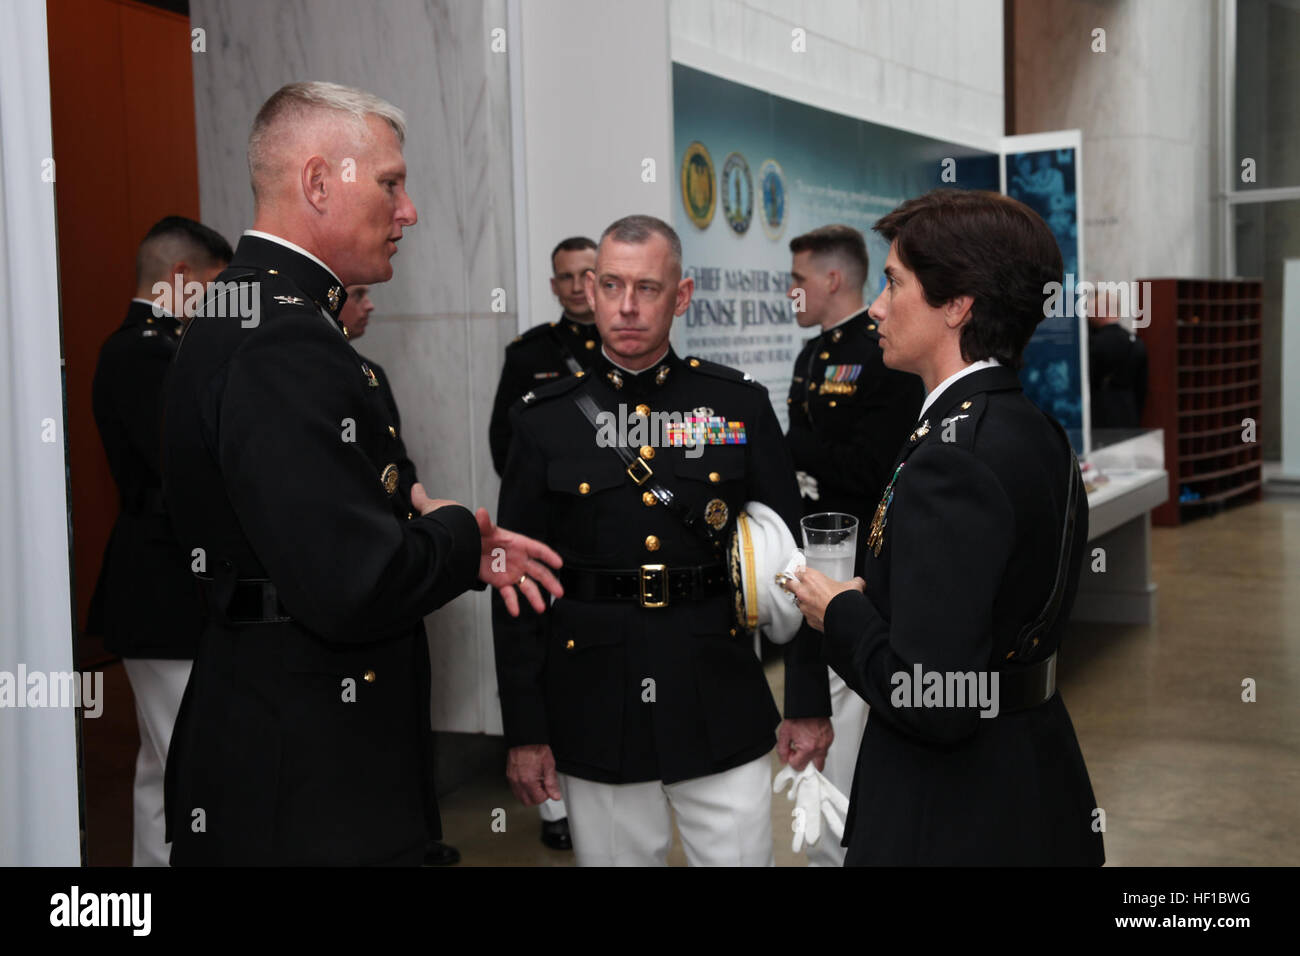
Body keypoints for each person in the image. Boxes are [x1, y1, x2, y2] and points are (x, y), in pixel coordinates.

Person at [161, 81, 563, 866]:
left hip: (270, 725)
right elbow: (352, 584)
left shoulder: (244, 309)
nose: (407, 210)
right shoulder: (284, 337)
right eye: (390, 183)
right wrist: (455, 532)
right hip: (311, 767)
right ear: (318, 183)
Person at [493, 215, 832, 866]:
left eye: (648, 288)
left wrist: (808, 703)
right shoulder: (543, 422)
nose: (626, 306)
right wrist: (526, 731)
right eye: (612, 285)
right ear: (589, 291)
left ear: (681, 296)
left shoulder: (736, 406)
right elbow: (517, 586)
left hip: (718, 693)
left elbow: (797, 565)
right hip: (597, 704)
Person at [785, 188, 1105, 866]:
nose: (876, 306)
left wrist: (840, 612)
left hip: (957, 813)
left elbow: (932, 698)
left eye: (895, 283)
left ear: (958, 304)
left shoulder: (953, 459)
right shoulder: (1029, 425)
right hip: (1032, 776)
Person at [88, 215, 231, 866]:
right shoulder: (145, 351)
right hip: (163, 587)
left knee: (165, 764)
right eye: (214, 288)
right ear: (179, 279)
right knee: (188, 763)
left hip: (167, 585)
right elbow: (187, 474)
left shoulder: (162, 346)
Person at [783, 225, 922, 866]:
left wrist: (795, 448)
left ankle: (848, 852)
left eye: (801, 279)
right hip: (814, 559)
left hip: (866, 566)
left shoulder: (882, 354)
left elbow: (872, 467)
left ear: (833, 279)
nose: (793, 291)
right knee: (820, 705)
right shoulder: (812, 358)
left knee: (854, 719)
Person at [338, 284, 459, 867]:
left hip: (392, 576)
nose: (370, 304)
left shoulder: (367, 373)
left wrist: (427, 534)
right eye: (357, 295)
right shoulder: (296, 371)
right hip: (351, 584)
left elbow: (396, 470)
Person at [487, 235, 599, 850]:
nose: (580, 286)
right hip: (547, 529)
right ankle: (556, 808)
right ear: (554, 286)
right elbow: (505, 442)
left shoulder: (628, 345)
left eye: (591, 274)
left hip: (603, 534)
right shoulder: (530, 352)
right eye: (568, 277)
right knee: (545, 653)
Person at [1087, 308, 1148, 429]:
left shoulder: (1092, 344)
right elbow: (1142, 386)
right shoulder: (1136, 343)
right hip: (1128, 411)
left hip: (1099, 413)